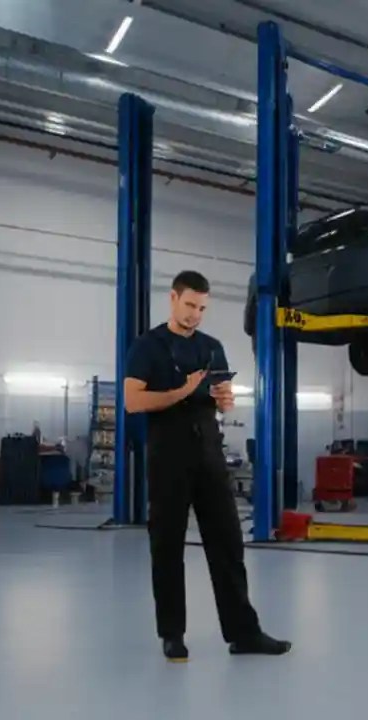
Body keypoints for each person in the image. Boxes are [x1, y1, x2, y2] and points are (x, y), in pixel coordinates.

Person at [123, 270, 291, 662]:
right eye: (189, 305)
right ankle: (172, 634)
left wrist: (225, 400)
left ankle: (244, 633)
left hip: (209, 455)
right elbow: (133, 402)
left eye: (201, 308)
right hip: (167, 455)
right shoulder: (147, 346)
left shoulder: (212, 348)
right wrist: (181, 391)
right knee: (167, 545)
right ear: (173, 298)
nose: (195, 314)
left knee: (228, 543)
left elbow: (222, 403)